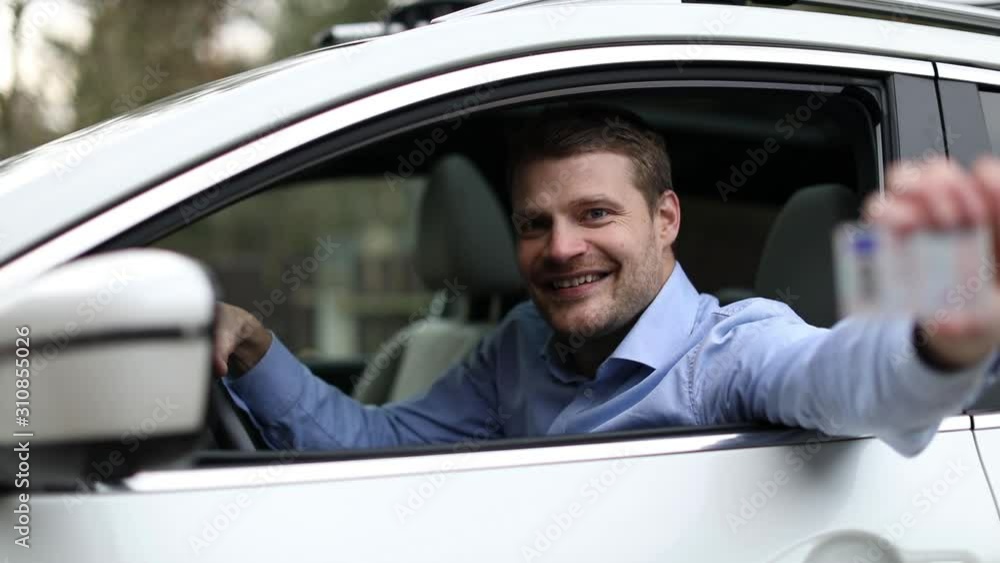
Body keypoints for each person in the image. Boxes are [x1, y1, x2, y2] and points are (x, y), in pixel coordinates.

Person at [214, 106, 1000, 455]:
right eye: (534, 223)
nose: (560, 249)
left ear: (665, 219)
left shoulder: (727, 351)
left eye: (595, 213)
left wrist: (938, 339)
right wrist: (253, 344)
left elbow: (843, 380)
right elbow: (372, 446)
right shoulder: (520, 345)